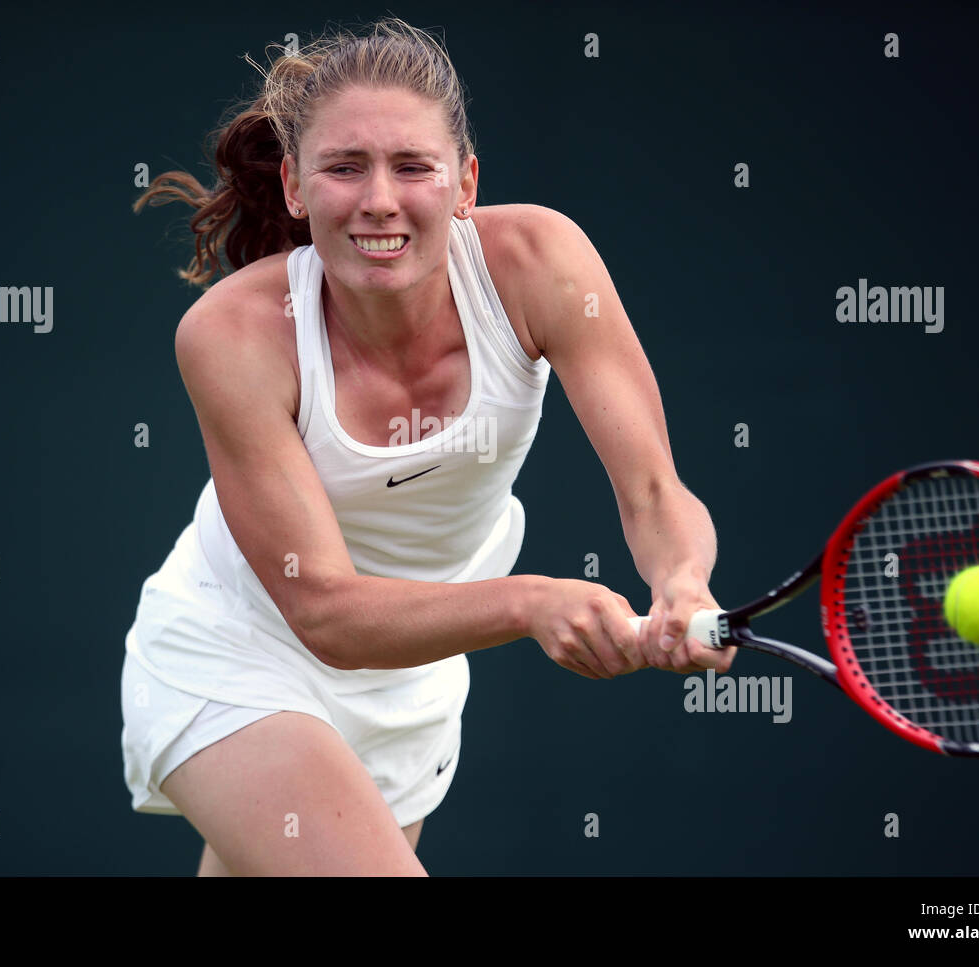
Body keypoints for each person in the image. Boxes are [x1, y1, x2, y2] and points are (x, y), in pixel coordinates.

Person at [121, 16, 736, 876]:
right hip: (238, 652)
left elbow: (654, 492)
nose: (380, 198)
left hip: (410, 681)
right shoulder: (231, 335)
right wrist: (528, 603)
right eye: (345, 167)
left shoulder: (541, 263)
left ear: (464, 183)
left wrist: (680, 583)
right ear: (295, 185)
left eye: (413, 166)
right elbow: (326, 608)